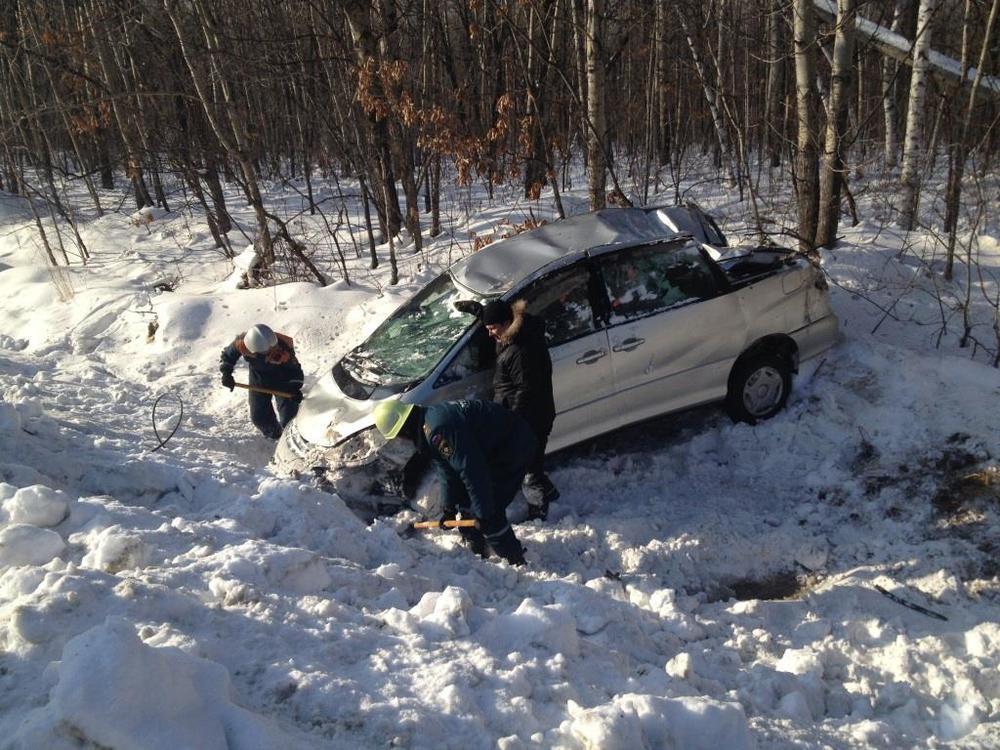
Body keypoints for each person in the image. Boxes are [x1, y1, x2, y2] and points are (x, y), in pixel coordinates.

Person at [373, 399, 536, 566]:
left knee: (490, 509)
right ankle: (477, 546)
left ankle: (515, 560)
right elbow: (447, 470)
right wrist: (448, 507)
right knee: (468, 503)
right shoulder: (429, 424)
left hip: (513, 447)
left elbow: (473, 472)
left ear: (404, 429)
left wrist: (484, 513)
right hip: (492, 449)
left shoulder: (438, 429)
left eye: (399, 436)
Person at [481, 299, 559, 521]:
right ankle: (550, 493)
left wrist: (512, 422)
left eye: (492, 328)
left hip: (531, 418)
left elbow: (526, 390)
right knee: (528, 462)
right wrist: (481, 312)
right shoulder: (512, 335)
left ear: (506, 323)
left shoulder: (521, 350)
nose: (489, 334)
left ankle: (538, 510)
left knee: (528, 469)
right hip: (524, 416)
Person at [219, 324, 304, 439]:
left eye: (273, 350)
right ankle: (276, 436)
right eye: (266, 353)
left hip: (282, 379)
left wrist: (295, 389)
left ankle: (295, 437)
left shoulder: (284, 347)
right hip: (258, 378)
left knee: (289, 417)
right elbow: (228, 356)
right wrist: (226, 374)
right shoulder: (241, 343)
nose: (271, 353)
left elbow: (294, 370)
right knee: (259, 417)